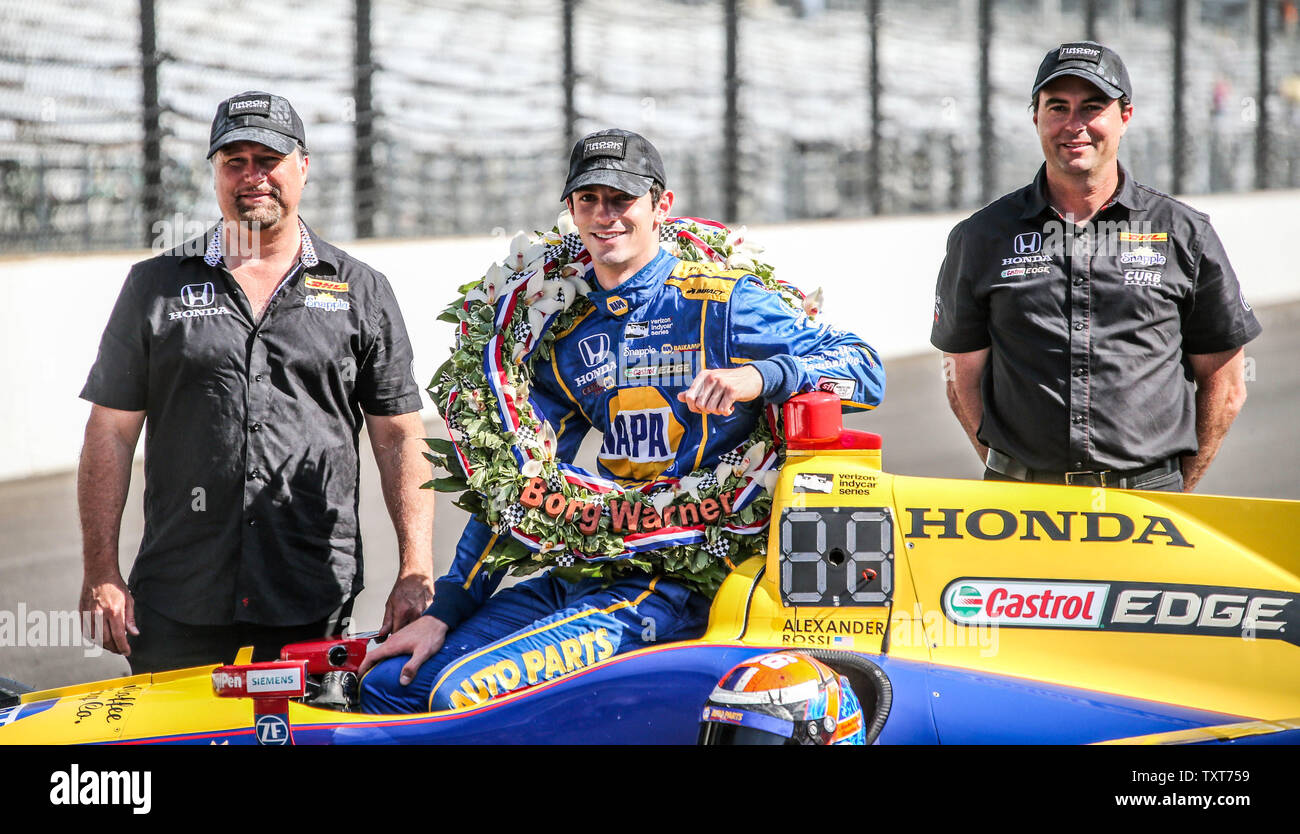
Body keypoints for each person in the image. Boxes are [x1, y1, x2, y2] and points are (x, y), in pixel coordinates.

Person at [359, 128, 885, 713]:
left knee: (461, 694)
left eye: (621, 199)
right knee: (391, 683)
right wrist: (446, 610)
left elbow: (863, 368)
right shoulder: (564, 331)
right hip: (595, 562)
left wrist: (759, 377)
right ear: (571, 210)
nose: (605, 215)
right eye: (590, 200)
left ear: (662, 206)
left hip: (686, 578)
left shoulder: (721, 301)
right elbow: (522, 485)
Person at [78, 91, 435, 673]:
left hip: (310, 588)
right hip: (178, 593)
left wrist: (415, 569)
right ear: (215, 171)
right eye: (234, 161)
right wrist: (100, 571)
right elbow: (110, 432)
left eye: (267, 160)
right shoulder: (153, 286)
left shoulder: (362, 290)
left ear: (303, 166)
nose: (252, 177)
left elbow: (398, 436)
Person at [932, 42, 1261, 492]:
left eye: (1092, 107)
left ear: (1125, 116)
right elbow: (960, 378)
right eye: (1058, 107)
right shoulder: (980, 237)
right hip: (1021, 507)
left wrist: (1176, 490)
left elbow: (1225, 383)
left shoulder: (1185, 233)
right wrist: (1009, 473)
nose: (1075, 125)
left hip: (1149, 505)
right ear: (1036, 118)